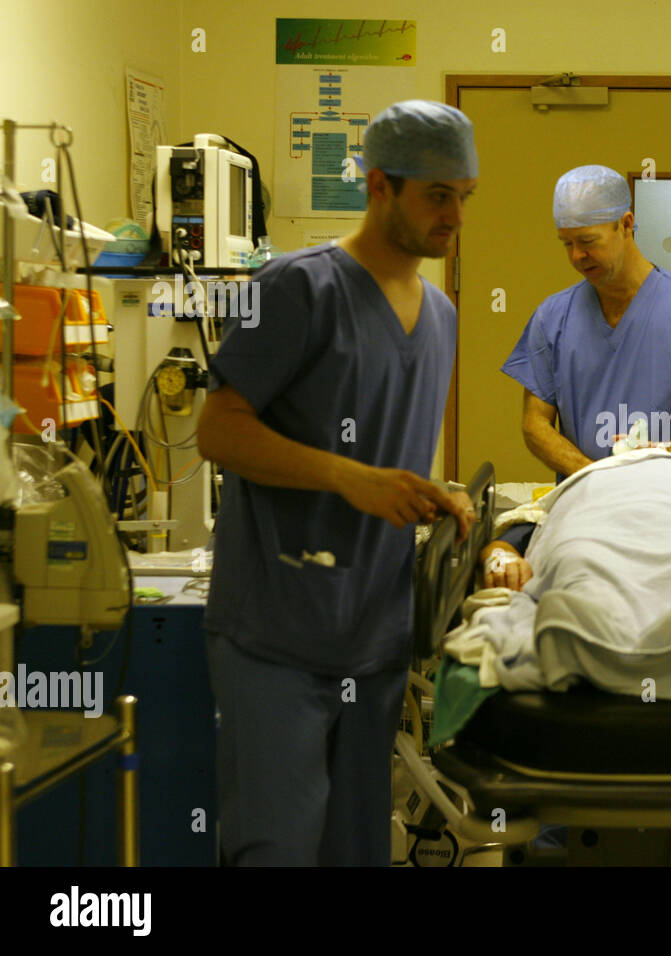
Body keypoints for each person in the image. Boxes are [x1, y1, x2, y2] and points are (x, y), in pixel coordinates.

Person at [196, 100, 479, 865]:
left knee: (355, 848)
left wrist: (434, 495)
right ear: (380, 185)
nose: (454, 215)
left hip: (372, 634)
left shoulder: (443, 315)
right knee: (277, 846)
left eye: (465, 196)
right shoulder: (297, 289)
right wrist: (348, 479)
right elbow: (217, 430)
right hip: (277, 632)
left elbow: (385, 450)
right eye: (437, 195)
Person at [501, 165, 671, 478]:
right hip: (588, 498)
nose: (578, 256)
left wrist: (660, 458)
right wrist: (594, 477)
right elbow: (535, 424)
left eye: (588, 241)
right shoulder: (553, 317)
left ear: (627, 224)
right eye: (567, 244)